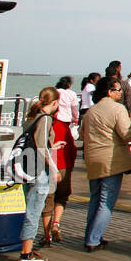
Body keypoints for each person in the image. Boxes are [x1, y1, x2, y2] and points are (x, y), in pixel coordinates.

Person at [81, 76, 131, 252]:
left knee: (95, 199)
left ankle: (91, 235)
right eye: (119, 90)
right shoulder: (117, 109)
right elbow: (126, 134)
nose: (121, 93)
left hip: (93, 159)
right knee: (106, 201)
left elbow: (81, 133)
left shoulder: (91, 111)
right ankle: (93, 239)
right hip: (111, 161)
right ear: (110, 92)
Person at [16, 87, 60, 261]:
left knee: (31, 208)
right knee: (34, 211)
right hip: (39, 171)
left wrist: (53, 145)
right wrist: (55, 168)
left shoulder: (31, 118)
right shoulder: (45, 118)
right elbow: (41, 146)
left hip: (28, 167)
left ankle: (27, 248)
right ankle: (26, 253)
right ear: (55, 103)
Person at [43, 76, 79, 243]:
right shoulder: (64, 127)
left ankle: (46, 234)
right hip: (63, 165)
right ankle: (56, 223)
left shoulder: (43, 122)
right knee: (61, 198)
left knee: (47, 201)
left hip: (46, 165)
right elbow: (71, 149)